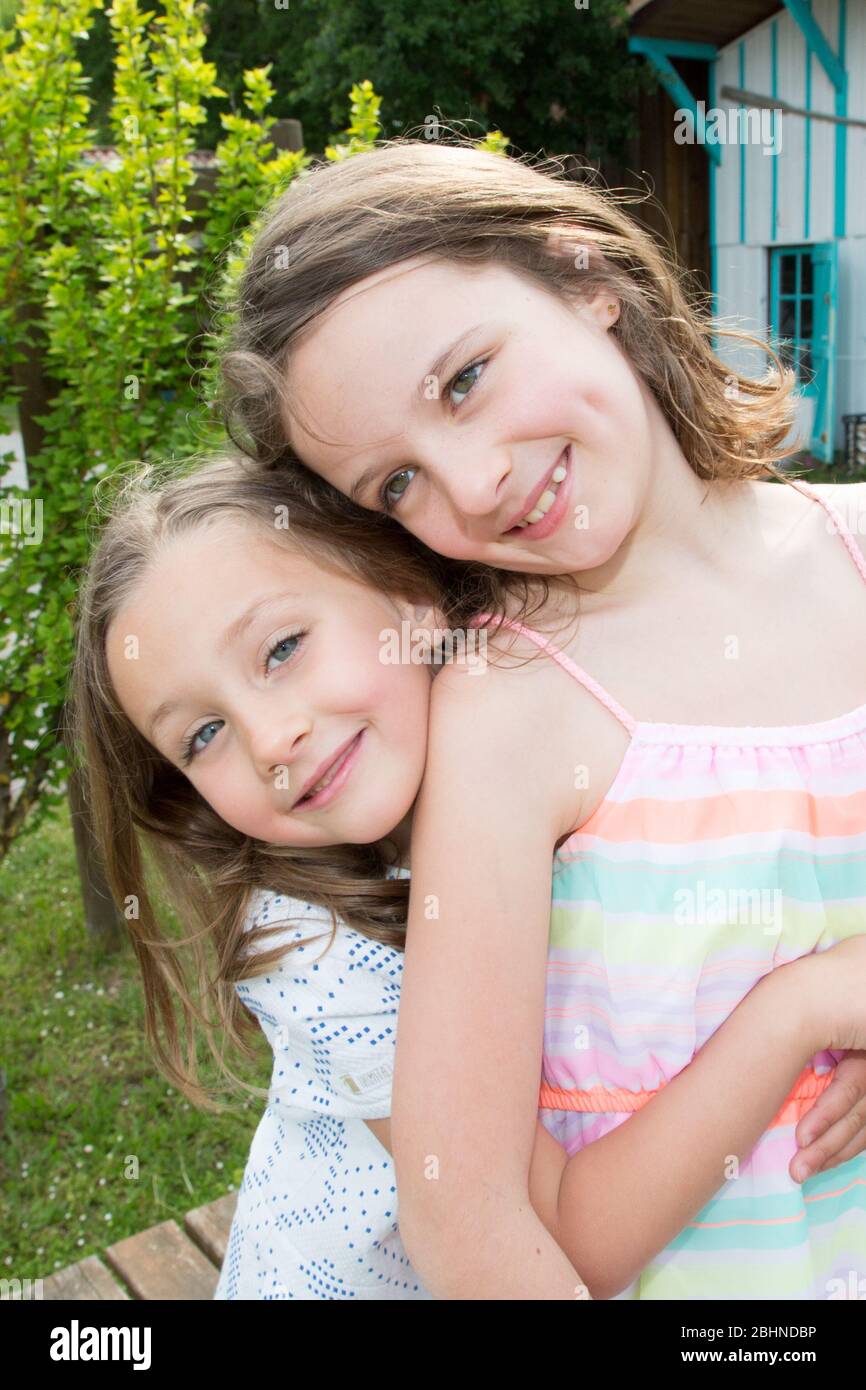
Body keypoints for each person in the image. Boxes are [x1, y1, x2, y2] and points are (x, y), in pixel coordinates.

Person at [212, 139, 866, 1297]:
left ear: (582, 275)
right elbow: (462, 1213)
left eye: (462, 380)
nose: (469, 486)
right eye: (397, 484)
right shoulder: (509, 709)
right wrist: (802, 1010)